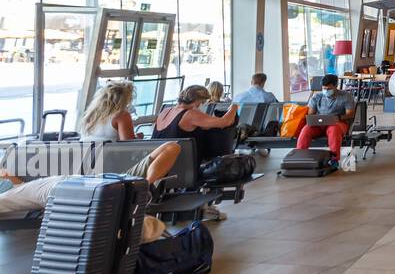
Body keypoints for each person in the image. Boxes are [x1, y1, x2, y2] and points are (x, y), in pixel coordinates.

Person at [2, 141, 181, 214]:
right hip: (69, 191)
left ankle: (145, 187)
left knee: (172, 146)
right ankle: (141, 190)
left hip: (90, 181)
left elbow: (12, 179)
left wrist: (8, 176)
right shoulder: (6, 198)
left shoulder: (14, 185)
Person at [152, 84, 239, 220]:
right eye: (202, 102)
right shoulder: (191, 114)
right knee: (219, 160)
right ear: (197, 101)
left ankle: (200, 206)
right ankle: (205, 207)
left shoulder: (165, 112)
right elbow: (225, 122)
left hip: (159, 167)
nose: (201, 105)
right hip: (183, 170)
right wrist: (234, 107)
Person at [296, 73, 356, 168]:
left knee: (334, 129)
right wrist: (312, 118)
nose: (326, 91)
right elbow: (311, 113)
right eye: (324, 88)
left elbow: (350, 114)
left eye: (329, 89)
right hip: (319, 124)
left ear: (336, 86)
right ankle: (298, 156)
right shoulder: (317, 97)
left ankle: (334, 159)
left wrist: (338, 117)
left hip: (338, 123)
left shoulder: (346, 96)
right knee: (306, 129)